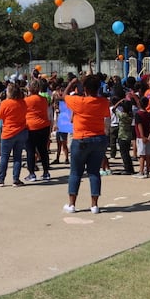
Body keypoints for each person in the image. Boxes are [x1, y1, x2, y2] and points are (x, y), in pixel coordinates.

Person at [62, 74, 110, 214]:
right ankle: (94, 205)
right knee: (94, 172)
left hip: (81, 138)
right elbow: (106, 116)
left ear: (85, 89)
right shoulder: (103, 102)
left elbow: (64, 95)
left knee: (75, 172)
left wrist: (71, 83)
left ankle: (72, 204)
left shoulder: (79, 101)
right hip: (99, 138)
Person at [0, 84, 28, 186]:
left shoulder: (5, 103)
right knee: (18, 157)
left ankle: (1, 179)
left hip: (8, 132)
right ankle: (16, 179)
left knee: (5, 157)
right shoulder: (23, 102)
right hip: (21, 131)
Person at [24, 79, 52, 181]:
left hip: (31, 126)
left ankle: (32, 173)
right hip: (44, 126)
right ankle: (46, 172)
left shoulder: (27, 100)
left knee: (30, 151)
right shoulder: (43, 99)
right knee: (43, 150)